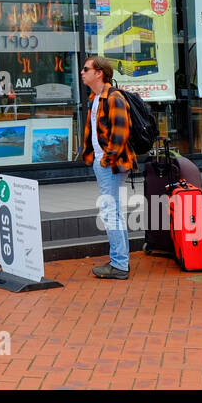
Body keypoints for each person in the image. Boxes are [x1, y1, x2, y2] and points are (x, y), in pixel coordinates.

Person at [80, 55, 136, 280]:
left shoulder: (114, 98)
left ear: (99, 73)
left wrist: (105, 159)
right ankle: (120, 260)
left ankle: (119, 264)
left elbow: (121, 133)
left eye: (86, 69)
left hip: (110, 164)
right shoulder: (96, 98)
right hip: (103, 162)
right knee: (114, 211)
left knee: (110, 211)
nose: (82, 72)